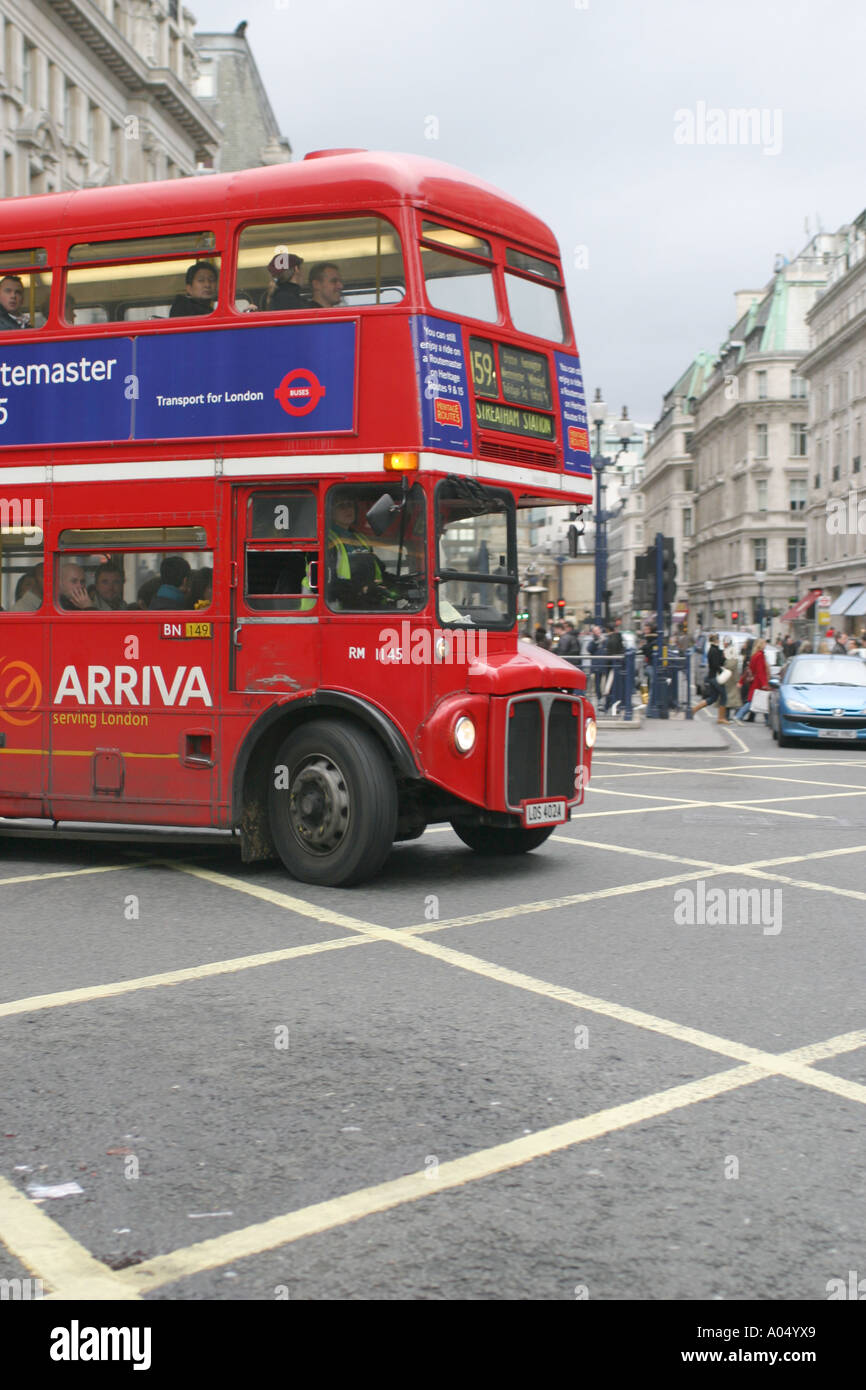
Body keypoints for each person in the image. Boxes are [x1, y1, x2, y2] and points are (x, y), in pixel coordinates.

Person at [692, 632, 728, 721]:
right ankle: (721, 718)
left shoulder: (713, 649)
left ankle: (694, 709)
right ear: (716, 640)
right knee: (724, 696)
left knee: (713, 698)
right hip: (716, 678)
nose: (719, 641)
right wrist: (722, 670)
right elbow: (716, 664)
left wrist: (723, 656)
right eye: (718, 639)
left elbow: (720, 662)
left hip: (711, 677)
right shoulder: (714, 651)